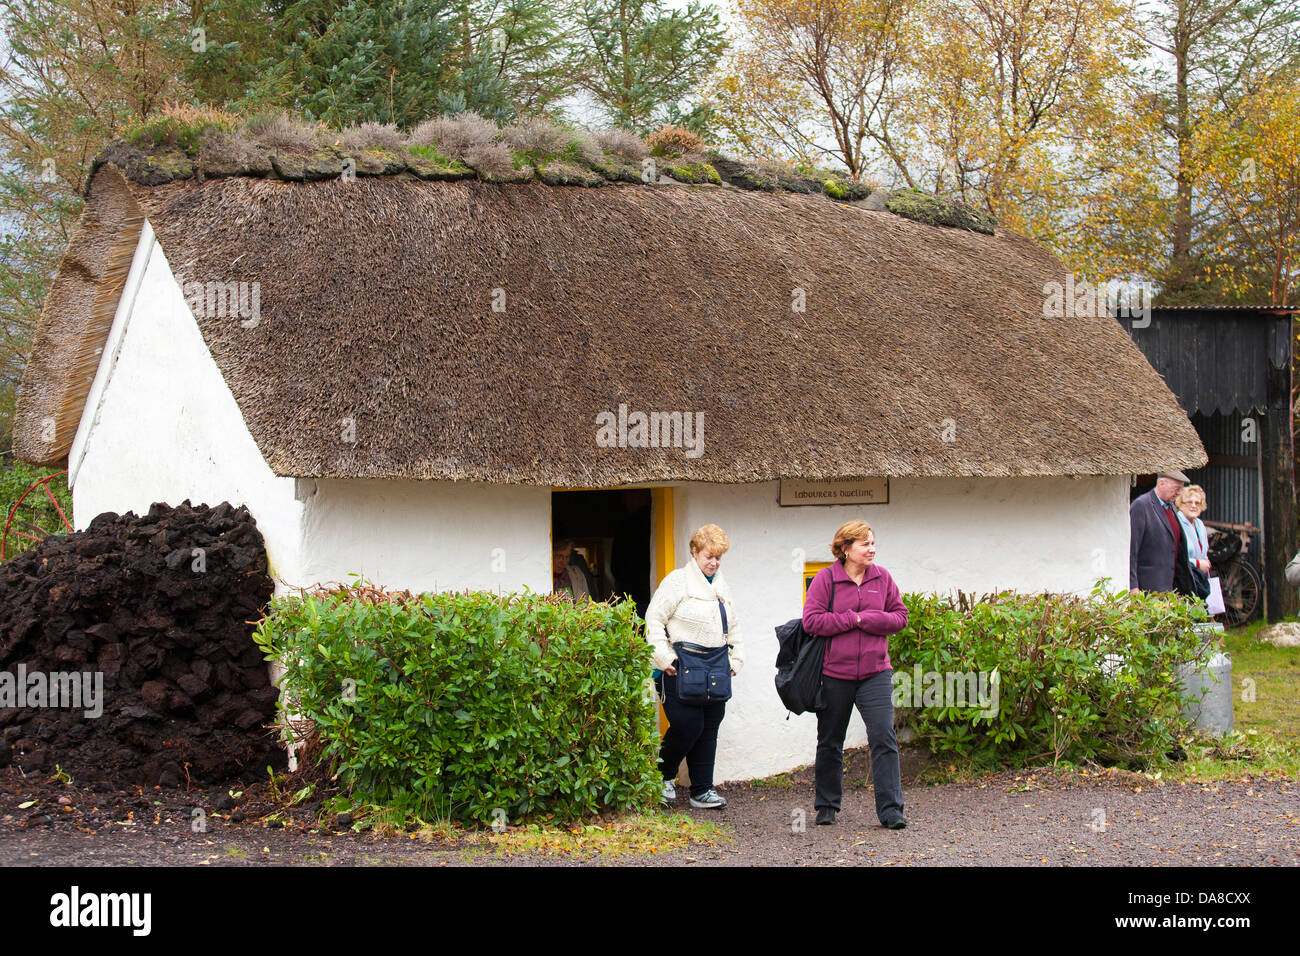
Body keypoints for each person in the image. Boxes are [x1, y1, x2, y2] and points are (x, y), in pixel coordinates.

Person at [802, 520, 908, 829]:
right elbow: (812, 622)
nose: (871, 549)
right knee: (831, 740)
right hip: (835, 673)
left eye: (873, 543)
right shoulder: (826, 580)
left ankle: (891, 811)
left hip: (876, 672)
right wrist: (852, 619)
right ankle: (826, 806)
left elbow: (899, 617)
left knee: (883, 737)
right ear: (846, 549)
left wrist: (868, 618)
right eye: (865, 544)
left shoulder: (882, 578)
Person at [645, 524, 743, 810]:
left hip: (715, 668)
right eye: (708, 557)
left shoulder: (722, 587)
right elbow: (653, 619)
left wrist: (735, 661)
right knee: (689, 725)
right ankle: (662, 778)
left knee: (710, 726)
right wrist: (665, 658)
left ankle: (702, 790)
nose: (713, 563)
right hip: (679, 668)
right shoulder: (677, 582)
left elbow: (733, 626)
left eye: (718, 557)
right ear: (694, 552)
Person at [1129, 470, 1192, 594]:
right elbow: (1132, 549)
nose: (1179, 493)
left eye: (1181, 490)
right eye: (1176, 489)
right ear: (1162, 483)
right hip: (1148, 586)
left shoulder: (1171, 507)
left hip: (1170, 586)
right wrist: (1133, 585)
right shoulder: (1141, 505)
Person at [1175, 484, 1211, 598]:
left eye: (1198, 503)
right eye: (1189, 502)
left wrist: (1205, 562)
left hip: (1198, 579)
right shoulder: (1177, 523)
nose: (1194, 506)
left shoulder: (1200, 524)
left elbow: (1204, 553)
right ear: (1181, 504)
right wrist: (1198, 563)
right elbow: (1176, 557)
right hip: (1182, 580)